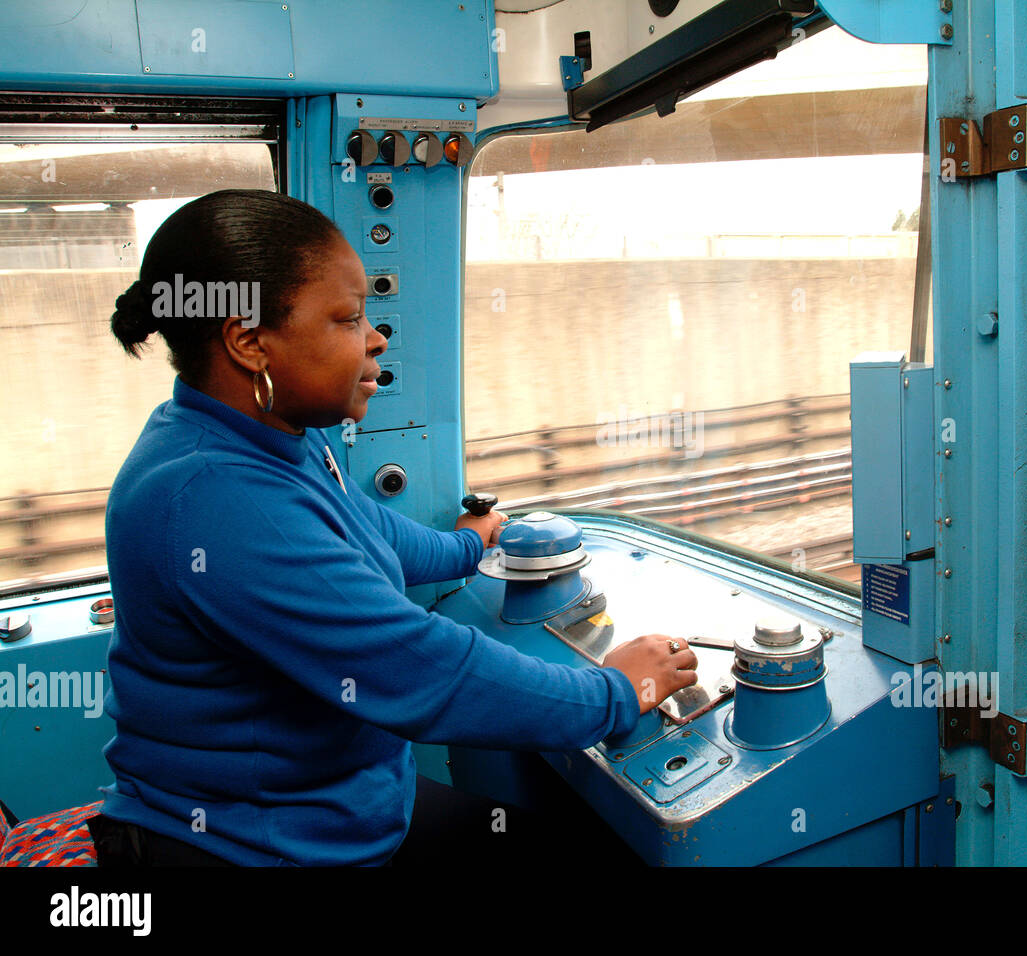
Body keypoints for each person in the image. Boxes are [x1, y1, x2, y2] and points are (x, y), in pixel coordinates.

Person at [88, 189, 698, 867]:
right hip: (252, 846)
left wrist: (470, 546)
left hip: (345, 810)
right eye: (347, 319)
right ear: (249, 342)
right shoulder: (217, 500)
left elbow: (360, 525)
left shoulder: (268, 437)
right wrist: (617, 692)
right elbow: (421, 671)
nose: (376, 338)